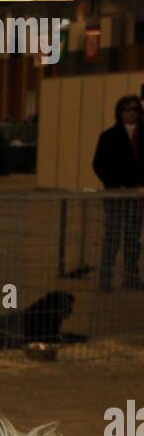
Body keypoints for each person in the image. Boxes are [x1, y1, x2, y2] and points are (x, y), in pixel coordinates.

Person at [92, 94, 144, 292]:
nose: (132, 113)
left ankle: (131, 278)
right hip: (115, 195)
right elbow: (99, 164)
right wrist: (115, 184)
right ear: (119, 112)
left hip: (137, 195)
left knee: (133, 239)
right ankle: (105, 280)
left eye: (136, 109)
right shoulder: (108, 136)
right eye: (127, 109)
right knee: (112, 238)